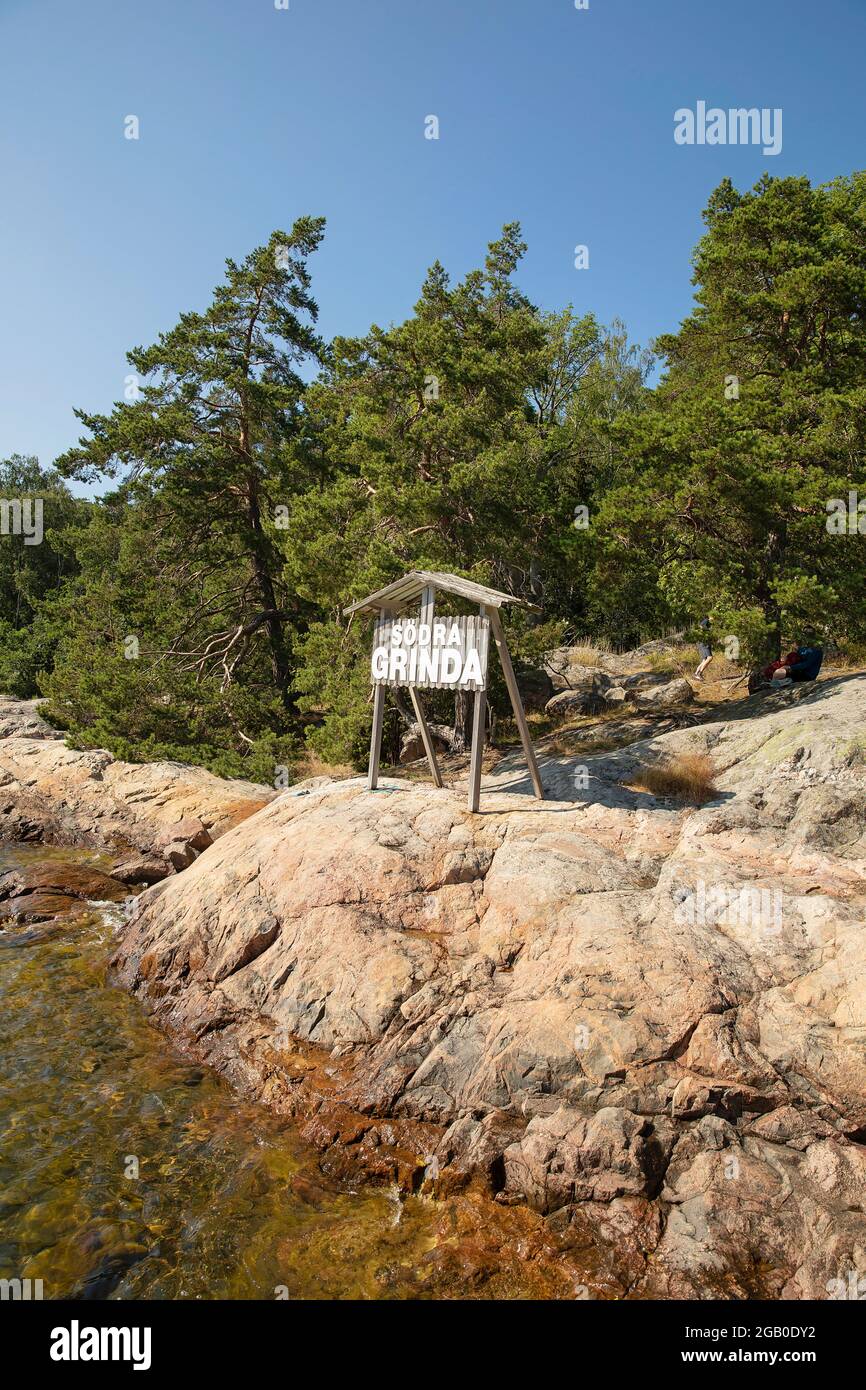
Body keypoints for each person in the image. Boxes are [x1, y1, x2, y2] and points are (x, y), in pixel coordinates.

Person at [693, 616, 713, 681]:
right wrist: (708, 630)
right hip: (704, 642)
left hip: (704, 642)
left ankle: (696, 674)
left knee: (704, 660)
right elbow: (701, 626)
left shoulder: (710, 623)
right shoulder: (706, 620)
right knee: (710, 658)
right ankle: (700, 674)